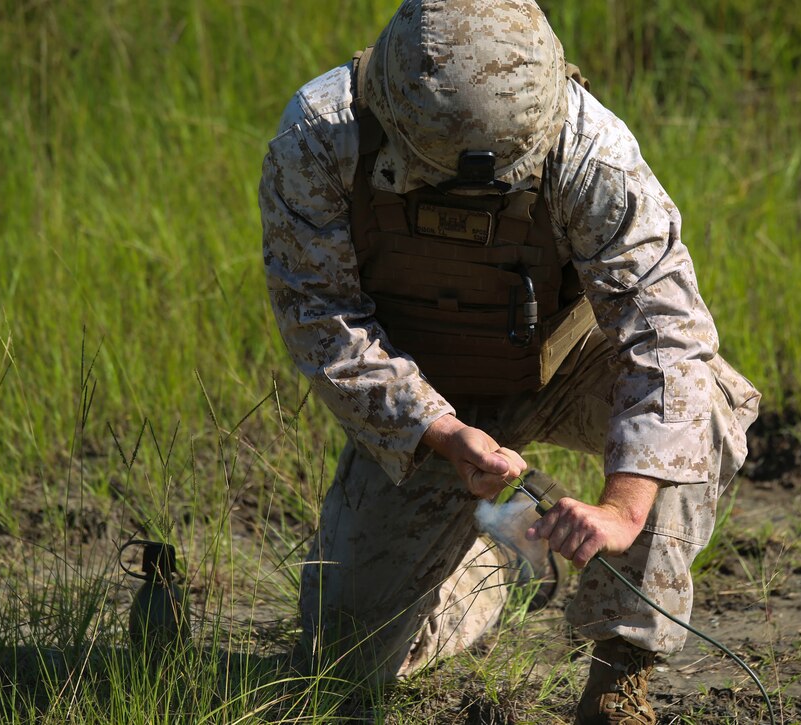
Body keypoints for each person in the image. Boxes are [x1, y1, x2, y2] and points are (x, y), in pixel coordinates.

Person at [259, 0, 760, 721]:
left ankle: (621, 670)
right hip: (426, 390)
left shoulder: (591, 149)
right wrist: (437, 429)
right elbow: (321, 318)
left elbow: (667, 341)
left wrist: (622, 508)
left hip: (566, 363)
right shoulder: (320, 138)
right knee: (343, 658)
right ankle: (508, 559)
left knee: (703, 402)